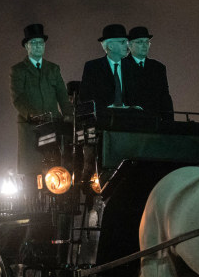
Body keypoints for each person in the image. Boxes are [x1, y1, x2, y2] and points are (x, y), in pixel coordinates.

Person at [10, 23, 73, 183]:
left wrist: (68, 114)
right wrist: (31, 114)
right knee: (31, 171)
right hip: (30, 127)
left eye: (41, 43)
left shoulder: (53, 69)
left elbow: (62, 95)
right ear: (26, 46)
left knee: (58, 168)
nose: (38, 46)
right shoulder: (18, 70)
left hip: (54, 124)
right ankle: (31, 205)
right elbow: (18, 98)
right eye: (34, 43)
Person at [124, 26, 174, 120]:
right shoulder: (120, 66)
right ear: (130, 45)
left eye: (147, 42)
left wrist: (170, 123)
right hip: (130, 122)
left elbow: (165, 98)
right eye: (140, 42)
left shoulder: (158, 68)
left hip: (154, 122)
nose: (144, 45)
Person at [79, 24, 132, 109]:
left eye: (127, 42)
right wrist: (108, 108)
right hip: (104, 118)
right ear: (110, 46)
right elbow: (86, 97)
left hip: (130, 118)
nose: (127, 46)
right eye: (123, 42)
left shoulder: (132, 67)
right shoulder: (93, 67)